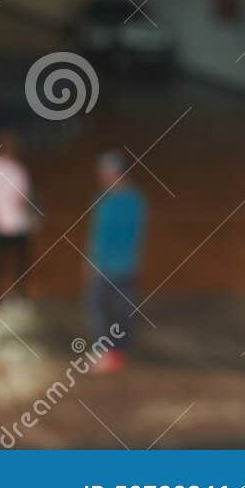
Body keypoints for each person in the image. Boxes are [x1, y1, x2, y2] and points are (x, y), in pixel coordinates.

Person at [86, 149, 147, 372]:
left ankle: (109, 353)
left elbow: (103, 237)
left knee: (103, 310)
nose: (103, 178)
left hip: (111, 267)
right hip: (125, 265)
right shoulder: (135, 201)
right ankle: (116, 351)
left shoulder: (110, 202)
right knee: (117, 310)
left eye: (107, 173)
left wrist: (94, 263)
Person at [0, 128, 38, 302]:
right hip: (8, 224)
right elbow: (23, 198)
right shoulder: (15, 169)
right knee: (12, 265)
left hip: (7, 224)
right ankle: (12, 296)